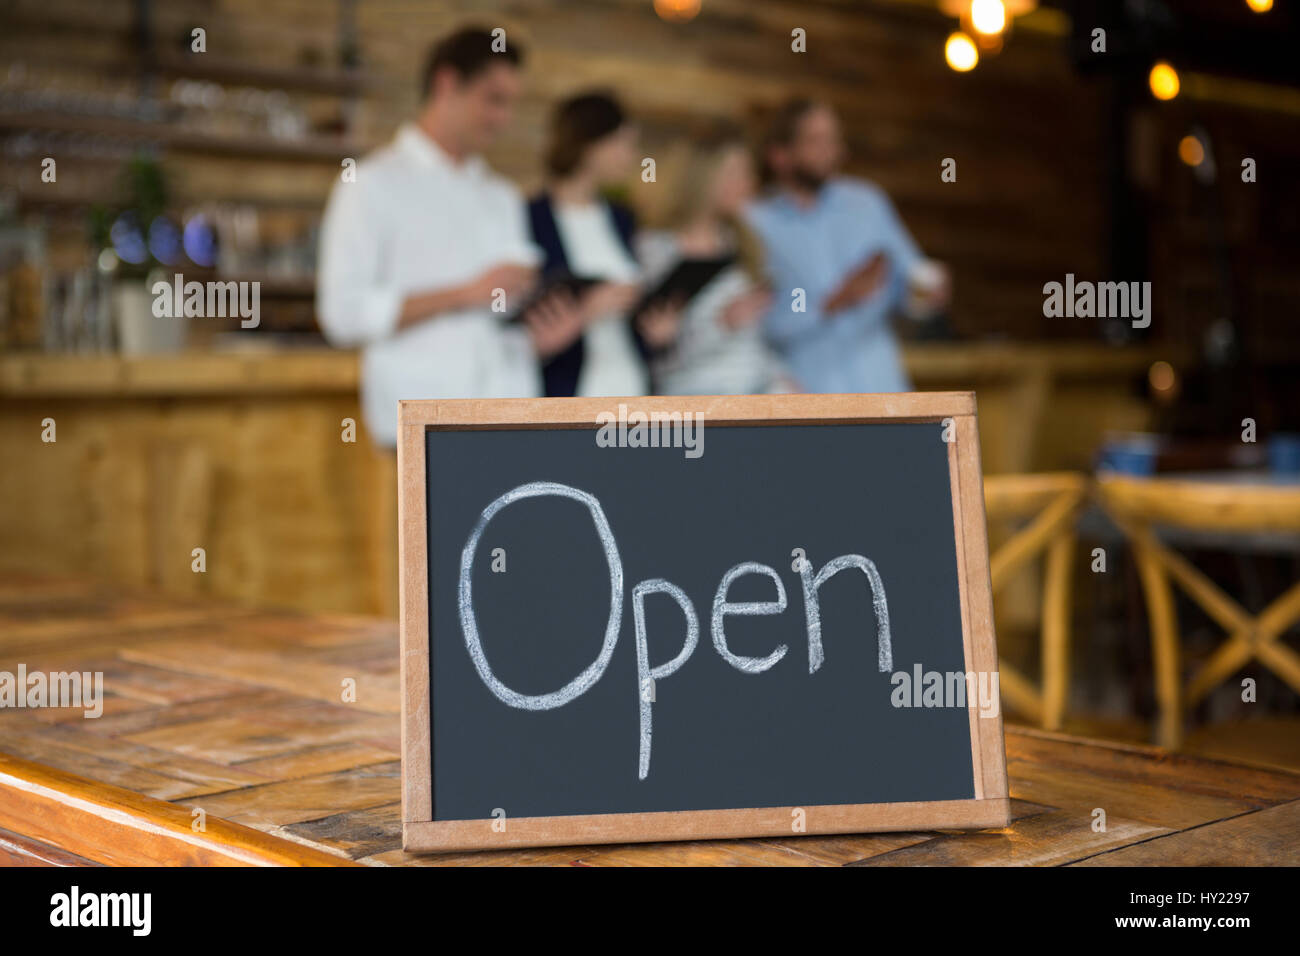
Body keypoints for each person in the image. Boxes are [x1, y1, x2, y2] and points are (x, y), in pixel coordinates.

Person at [316, 27, 584, 445]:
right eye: (494, 99)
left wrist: (542, 339)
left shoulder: (504, 197)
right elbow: (342, 315)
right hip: (421, 436)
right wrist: (466, 293)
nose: (503, 119)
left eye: (511, 104)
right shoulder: (372, 184)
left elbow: (499, 323)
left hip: (511, 423)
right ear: (446, 84)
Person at [746, 98, 950, 394]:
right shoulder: (755, 223)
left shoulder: (866, 203)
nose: (832, 151)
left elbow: (911, 282)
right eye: (816, 141)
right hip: (806, 394)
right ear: (780, 155)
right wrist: (831, 304)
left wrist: (929, 292)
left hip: (881, 385)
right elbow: (754, 326)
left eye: (834, 139)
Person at [526, 91, 679, 397]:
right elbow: (523, 319)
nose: (631, 156)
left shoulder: (622, 219)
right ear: (590, 144)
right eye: (624, 143)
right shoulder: (531, 219)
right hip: (568, 395)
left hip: (632, 389)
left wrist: (659, 333)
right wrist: (589, 309)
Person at [638, 128, 791, 395]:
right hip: (694, 407)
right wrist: (723, 324)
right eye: (734, 173)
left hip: (754, 399)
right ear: (704, 177)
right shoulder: (656, 248)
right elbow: (660, 361)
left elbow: (756, 344)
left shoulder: (743, 244)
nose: (747, 183)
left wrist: (783, 382)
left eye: (747, 173)